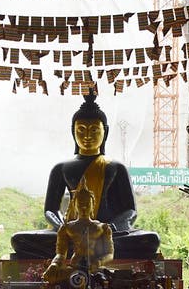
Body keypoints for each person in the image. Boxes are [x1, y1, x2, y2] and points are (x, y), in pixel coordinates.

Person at [11, 91, 160, 261]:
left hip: (104, 233)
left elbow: (130, 211)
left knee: (150, 240)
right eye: (81, 130)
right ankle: (83, 247)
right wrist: (64, 228)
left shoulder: (116, 167)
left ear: (106, 132)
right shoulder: (61, 168)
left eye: (94, 130)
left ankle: (86, 247)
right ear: (72, 132)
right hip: (70, 232)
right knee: (20, 240)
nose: (87, 136)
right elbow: (50, 210)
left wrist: (110, 227)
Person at [42, 177, 114, 284]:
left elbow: (110, 254)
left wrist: (98, 263)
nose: (84, 208)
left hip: (94, 268)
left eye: (87, 204)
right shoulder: (66, 228)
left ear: (93, 205)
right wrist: (54, 264)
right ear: (75, 205)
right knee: (51, 276)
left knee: (106, 278)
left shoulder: (103, 227)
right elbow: (61, 254)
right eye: (80, 205)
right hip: (75, 267)